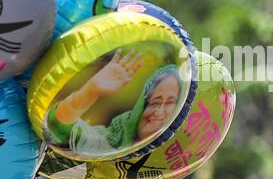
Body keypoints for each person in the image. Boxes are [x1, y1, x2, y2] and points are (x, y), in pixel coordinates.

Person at [45, 50, 181, 156]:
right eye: (154, 103)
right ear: (140, 107)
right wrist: (90, 91)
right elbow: (57, 126)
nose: (159, 112)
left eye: (170, 103)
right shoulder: (110, 143)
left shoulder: (168, 160)